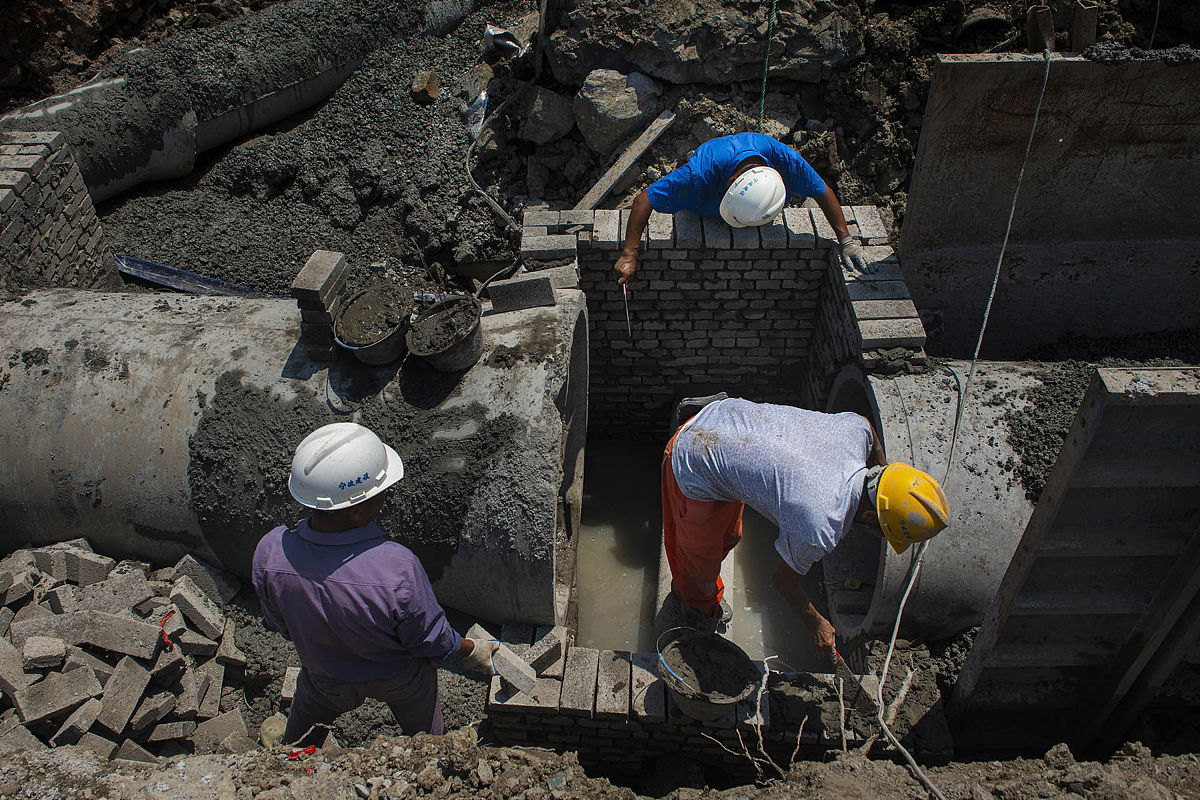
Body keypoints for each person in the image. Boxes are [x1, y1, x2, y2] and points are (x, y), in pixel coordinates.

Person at [252, 422, 496, 746]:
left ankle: (292, 751)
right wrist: (469, 650)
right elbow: (428, 639)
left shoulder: (271, 552)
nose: (385, 497)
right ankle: (433, 753)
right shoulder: (397, 567)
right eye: (380, 493)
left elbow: (278, 623)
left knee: (305, 723)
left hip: (325, 676)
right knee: (424, 732)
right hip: (398, 678)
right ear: (356, 512)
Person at [661, 396, 950, 651]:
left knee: (729, 537)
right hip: (692, 459)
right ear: (870, 517)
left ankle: (703, 593)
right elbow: (784, 582)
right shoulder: (820, 526)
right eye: (881, 532)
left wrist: (881, 462)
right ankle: (695, 611)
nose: (877, 537)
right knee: (697, 562)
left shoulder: (856, 433)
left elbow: (867, 427)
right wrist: (815, 622)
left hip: (727, 425)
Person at [614, 132, 870, 283]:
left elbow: (822, 191)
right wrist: (630, 254)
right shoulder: (696, 178)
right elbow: (643, 199)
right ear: (729, 183)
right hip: (702, 205)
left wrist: (845, 239)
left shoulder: (785, 160)